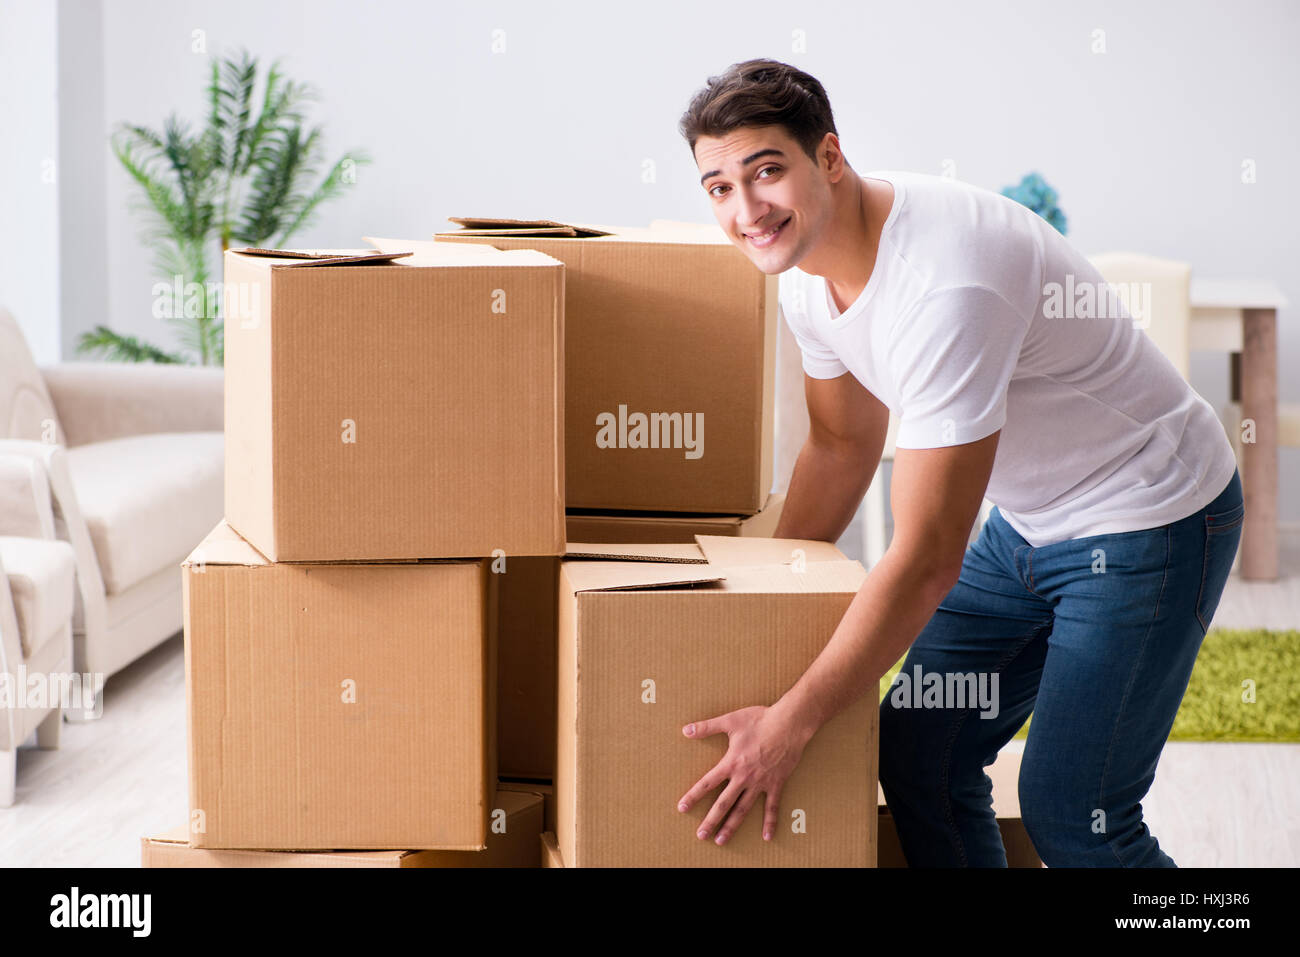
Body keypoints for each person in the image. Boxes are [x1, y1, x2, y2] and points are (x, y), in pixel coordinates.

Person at [673, 58, 1243, 866]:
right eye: (719, 187)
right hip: (1030, 521)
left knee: (1075, 812)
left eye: (766, 172)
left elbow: (927, 557)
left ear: (828, 158)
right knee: (919, 752)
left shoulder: (945, 285)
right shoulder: (805, 274)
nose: (747, 209)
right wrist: (753, 614)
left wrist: (792, 722)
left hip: (1149, 514)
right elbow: (841, 447)